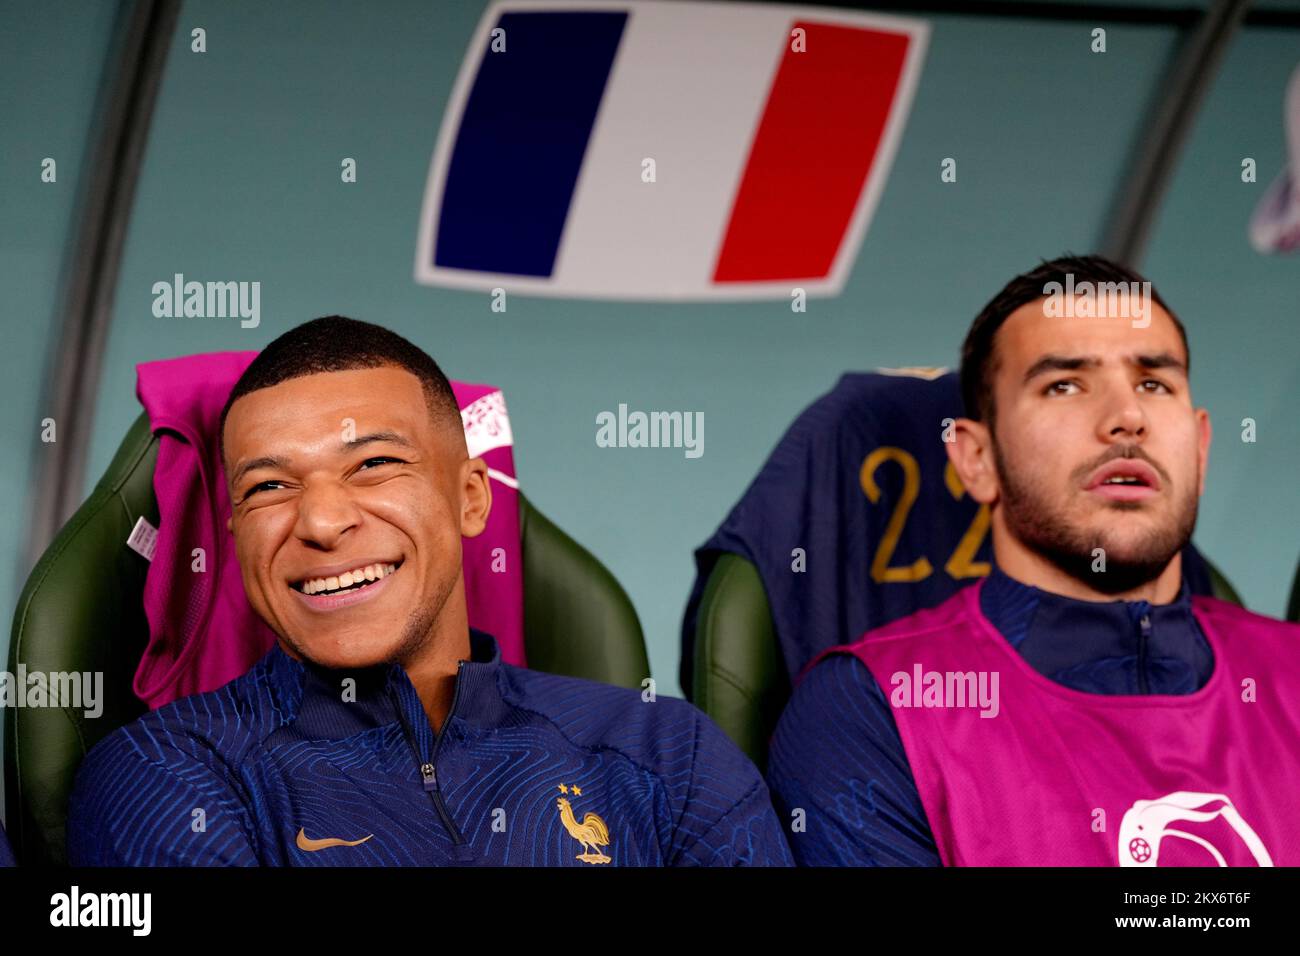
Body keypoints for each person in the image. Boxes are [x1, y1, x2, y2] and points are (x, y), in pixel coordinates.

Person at [67, 316, 791, 867]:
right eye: (269, 487)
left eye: (374, 464)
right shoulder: (165, 774)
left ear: (471, 498)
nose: (320, 521)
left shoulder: (669, 755)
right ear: (235, 536)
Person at [766, 255, 1300, 867]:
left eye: (1154, 383)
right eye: (1064, 384)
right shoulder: (869, 714)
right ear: (977, 460)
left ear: (1201, 449)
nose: (1127, 419)